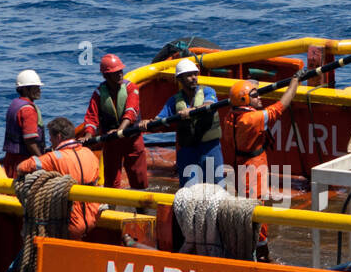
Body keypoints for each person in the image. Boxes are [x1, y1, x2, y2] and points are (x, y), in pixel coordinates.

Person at [229, 75, 299, 261]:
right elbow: (281, 106)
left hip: (243, 166)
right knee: (257, 210)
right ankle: (260, 255)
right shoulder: (252, 119)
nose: (259, 97)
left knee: (250, 207)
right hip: (252, 169)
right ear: (244, 99)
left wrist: (253, 87)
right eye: (255, 94)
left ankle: (253, 248)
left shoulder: (233, 115)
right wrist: (294, 83)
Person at [14, 117, 102, 240]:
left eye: (51, 137)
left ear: (59, 137)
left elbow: (22, 167)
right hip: (93, 216)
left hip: (71, 220)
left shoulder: (55, 157)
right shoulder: (89, 153)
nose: (50, 140)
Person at [149, 57, 223, 186]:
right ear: (180, 79)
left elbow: (209, 104)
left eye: (195, 74)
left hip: (209, 147)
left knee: (216, 184)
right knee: (188, 187)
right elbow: (159, 120)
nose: (194, 78)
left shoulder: (208, 91)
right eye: (189, 76)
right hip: (188, 150)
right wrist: (148, 123)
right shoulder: (174, 101)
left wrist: (192, 110)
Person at [80, 53, 148, 189]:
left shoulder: (131, 88)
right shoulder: (99, 93)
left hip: (132, 139)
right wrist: (88, 135)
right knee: (111, 182)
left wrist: (120, 130)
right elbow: (91, 118)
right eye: (115, 73)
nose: (120, 75)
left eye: (120, 71)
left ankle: (142, 209)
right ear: (106, 76)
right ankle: (111, 207)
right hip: (111, 141)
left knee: (139, 179)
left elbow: (131, 111)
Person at [1, 69, 45, 178]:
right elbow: (29, 141)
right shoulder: (28, 110)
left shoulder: (15, 104)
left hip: (11, 159)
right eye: (36, 87)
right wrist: (42, 160)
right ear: (25, 89)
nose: (39, 90)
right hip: (23, 161)